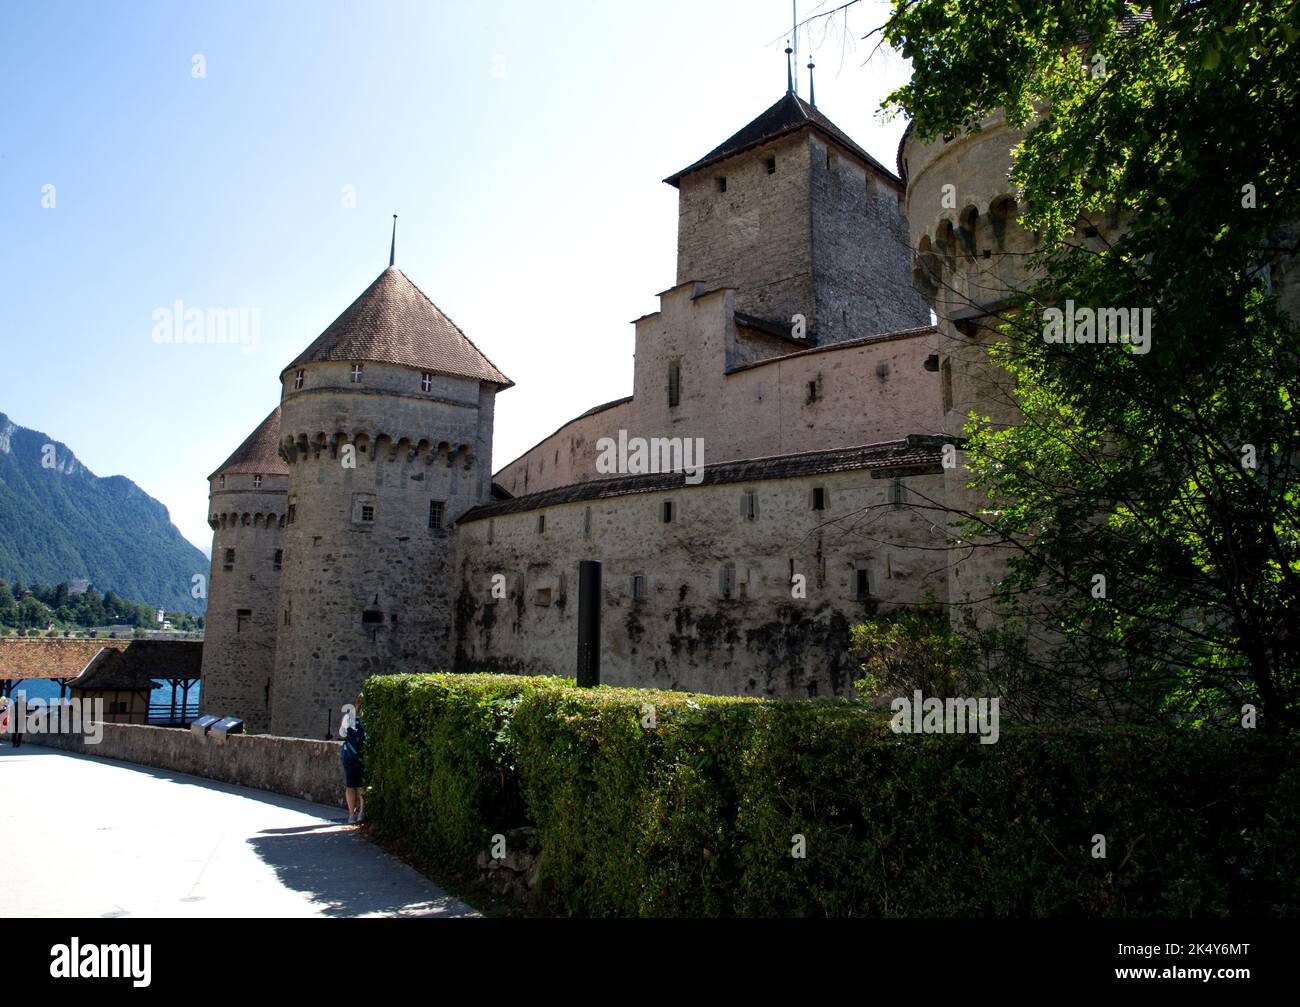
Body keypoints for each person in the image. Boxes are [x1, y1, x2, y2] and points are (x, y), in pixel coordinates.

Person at [339, 696, 365, 824]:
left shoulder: (349, 716)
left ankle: (351, 815)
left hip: (348, 755)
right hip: (363, 755)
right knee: (362, 786)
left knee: (350, 785)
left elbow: (342, 734)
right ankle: (361, 813)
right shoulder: (370, 718)